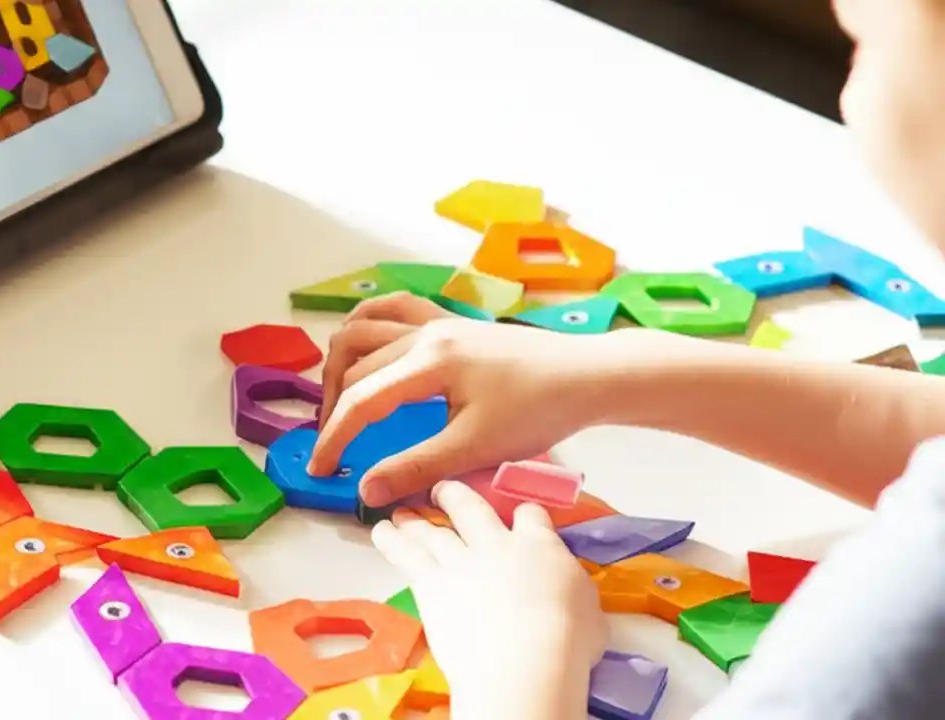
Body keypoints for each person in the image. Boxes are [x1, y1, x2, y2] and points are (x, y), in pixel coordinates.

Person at [307, 0, 945, 717]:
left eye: (866, 33)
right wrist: (612, 369)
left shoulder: (906, 612)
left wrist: (520, 670)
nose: (851, 71)